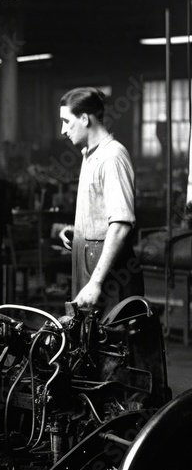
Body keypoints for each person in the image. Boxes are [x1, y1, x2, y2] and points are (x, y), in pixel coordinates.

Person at [56, 87, 143, 310]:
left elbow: (121, 224)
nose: (63, 130)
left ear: (84, 119)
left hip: (110, 274)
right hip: (89, 260)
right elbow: (102, 217)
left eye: (67, 121)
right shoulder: (90, 155)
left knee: (112, 340)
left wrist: (96, 282)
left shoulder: (112, 157)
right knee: (87, 338)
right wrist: (80, 232)